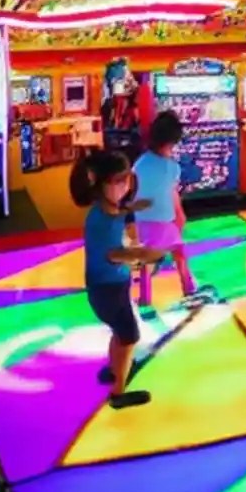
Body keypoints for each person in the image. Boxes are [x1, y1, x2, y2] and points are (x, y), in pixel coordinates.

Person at [70, 150, 164, 410]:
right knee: (130, 336)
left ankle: (114, 369)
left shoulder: (109, 209)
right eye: (117, 181)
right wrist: (144, 255)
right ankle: (118, 392)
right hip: (107, 290)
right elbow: (113, 254)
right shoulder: (103, 220)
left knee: (120, 331)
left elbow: (124, 214)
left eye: (126, 180)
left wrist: (136, 208)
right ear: (100, 184)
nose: (123, 186)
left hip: (110, 288)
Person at [131, 111, 196, 306]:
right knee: (179, 252)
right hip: (164, 220)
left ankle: (145, 296)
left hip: (142, 220)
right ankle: (188, 287)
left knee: (147, 260)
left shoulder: (140, 163)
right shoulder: (172, 167)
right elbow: (172, 197)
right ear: (171, 143)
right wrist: (180, 217)